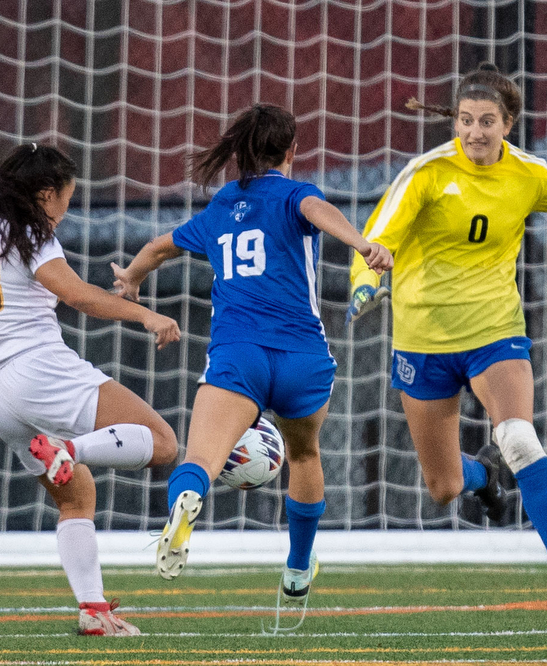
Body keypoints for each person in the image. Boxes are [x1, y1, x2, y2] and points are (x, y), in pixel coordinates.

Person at [346, 62, 547, 613]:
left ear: (509, 124)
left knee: (520, 438)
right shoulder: (426, 173)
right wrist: (365, 285)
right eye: (465, 121)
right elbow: (373, 240)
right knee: (442, 487)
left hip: (495, 332)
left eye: (487, 121)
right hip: (423, 340)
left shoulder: (529, 174)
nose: (475, 132)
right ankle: (482, 479)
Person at [111, 103, 392, 631]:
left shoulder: (221, 206)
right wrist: (361, 243)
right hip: (303, 359)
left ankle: (188, 502)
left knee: (199, 459)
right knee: (305, 454)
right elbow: (317, 212)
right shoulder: (294, 192)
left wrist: (130, 278)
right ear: (291, 152)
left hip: (239, 355)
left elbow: (157, 247)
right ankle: (296, 569)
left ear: (240, 152)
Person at [0, 143, 182, 636]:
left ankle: (94, 612)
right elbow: (76, 295)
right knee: (163, 443)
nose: (65, 212)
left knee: (75, 499)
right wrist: (146, 314)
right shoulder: (30, 233)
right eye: (66, 201)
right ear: (45, 194)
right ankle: (68, 447)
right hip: (38, 370)